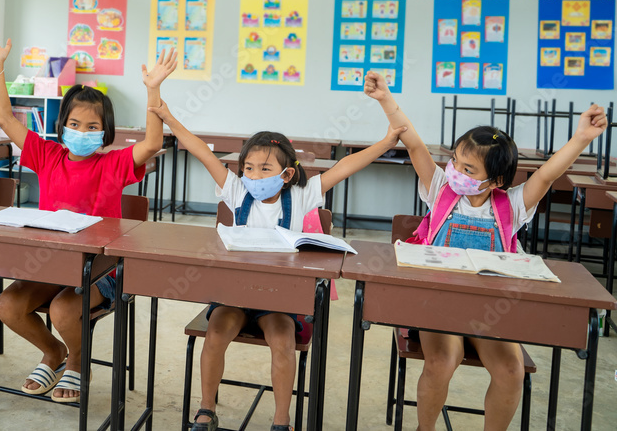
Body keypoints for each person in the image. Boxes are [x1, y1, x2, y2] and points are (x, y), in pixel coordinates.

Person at [364, 69, 608, 431]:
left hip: (491, 311)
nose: (456, 171)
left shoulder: (512, 205)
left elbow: (545, 175)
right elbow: (413, 143)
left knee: (510, 370)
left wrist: (581, 138)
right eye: (456, 161)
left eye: (468, 168)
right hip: (438, 302)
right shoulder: (439, 188)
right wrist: (386, 99)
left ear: (495, 181)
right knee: (443, 361)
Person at [149, 98, 404, 431]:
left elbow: (346, 166)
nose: (254, 176)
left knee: (283, 342)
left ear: (287, 174)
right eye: (249, 168)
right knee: (215, 334)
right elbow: (200, 150)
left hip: (279, 299)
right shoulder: (236, 191)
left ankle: (281, 421)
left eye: (265, 169)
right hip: (234, 296)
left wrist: (386, 142)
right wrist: (168, 117)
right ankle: (206, 409)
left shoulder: (302, 196)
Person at [0, 26, 176, 403]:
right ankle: (54, 353)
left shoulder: (114, 164)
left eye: (93, 127)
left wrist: (153, 89)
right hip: (53, 263)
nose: (82, 132)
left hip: (103, 270)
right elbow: (3, 116)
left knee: (64, 309)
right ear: (61, 126)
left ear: (106, 133)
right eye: (74, 124)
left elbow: (151, 143)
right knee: (9, 306)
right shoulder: (48, 155)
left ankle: (78, 364)